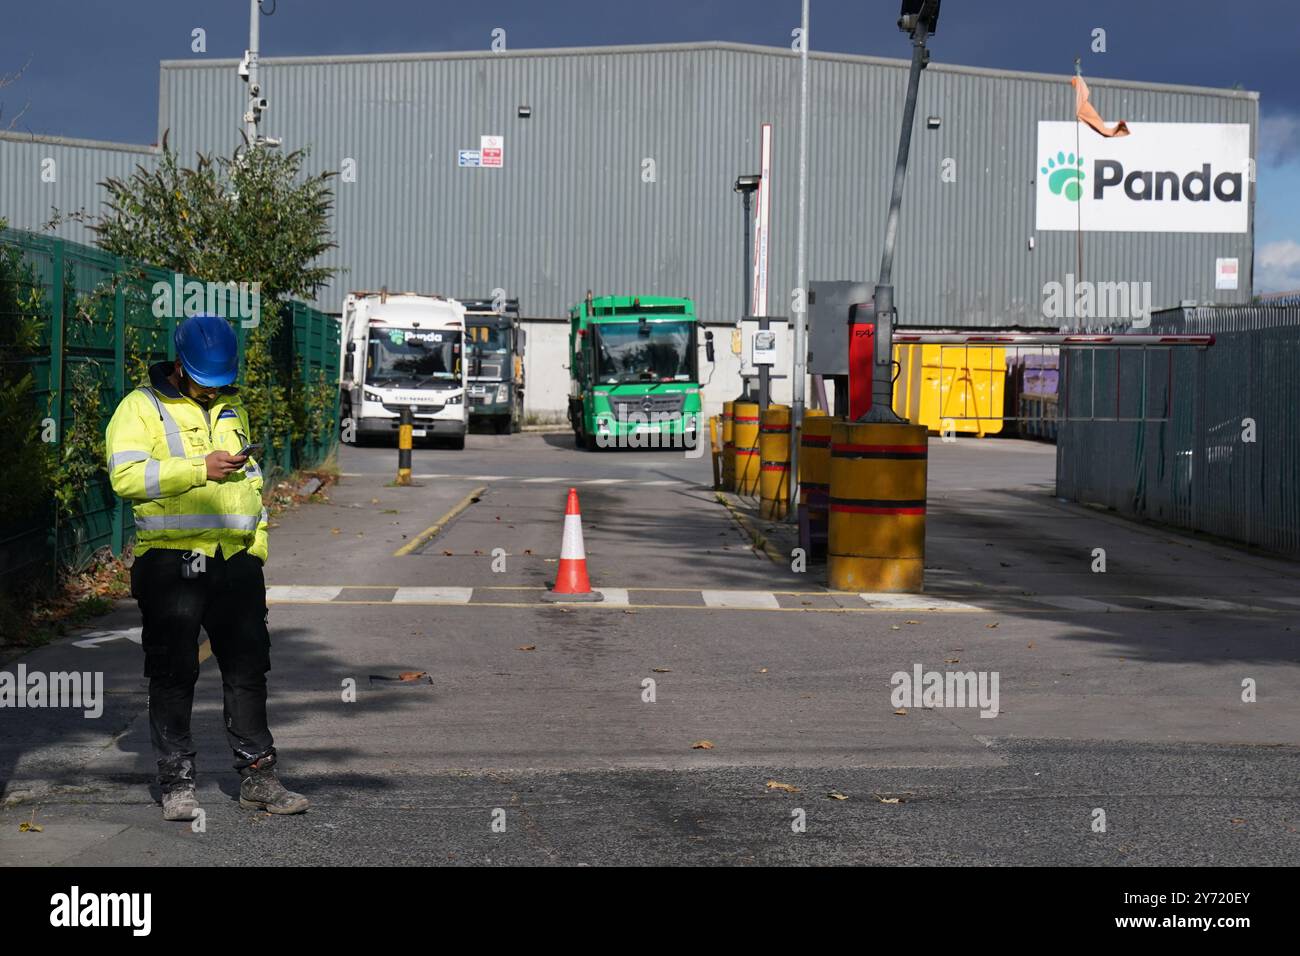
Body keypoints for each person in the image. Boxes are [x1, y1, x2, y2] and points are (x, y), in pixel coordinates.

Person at [104, 313, 308, 820]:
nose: (214, 392)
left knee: (248, 667)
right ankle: (177, 783)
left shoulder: (230, 405)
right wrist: (199, 468)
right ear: (179, 366)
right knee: (174, 671)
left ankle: (259, 778)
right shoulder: (139, 408)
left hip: (235, 560)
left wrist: (255, 545)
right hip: (174, 561)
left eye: (222, 384)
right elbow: (126, 478)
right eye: (204, 383)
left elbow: (250, 482)